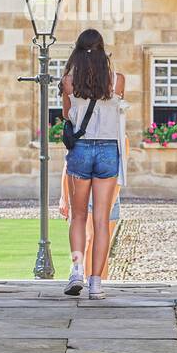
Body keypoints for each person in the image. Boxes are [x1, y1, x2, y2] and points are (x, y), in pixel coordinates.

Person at [60, 28, 125, 299]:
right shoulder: (117, 80)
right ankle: (96, 283)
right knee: (101, 220)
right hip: (109, 149)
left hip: (82, 149)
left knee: (78, 216)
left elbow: (67, 115)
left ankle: (77, 270)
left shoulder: (68, 81)